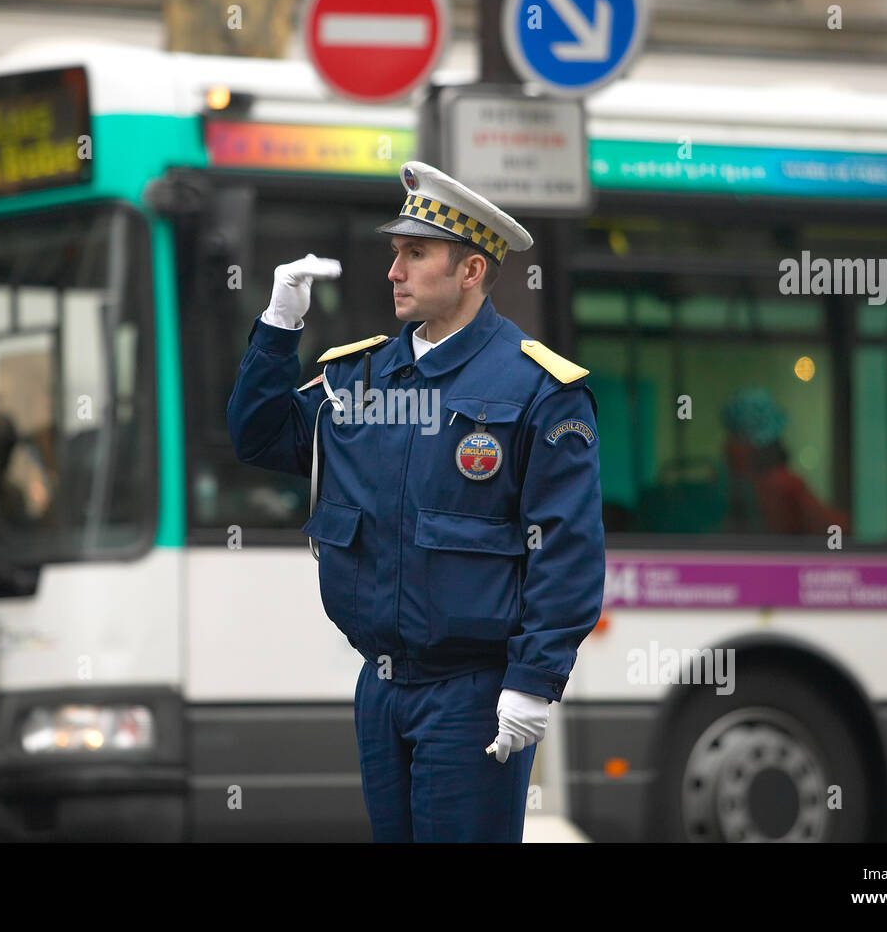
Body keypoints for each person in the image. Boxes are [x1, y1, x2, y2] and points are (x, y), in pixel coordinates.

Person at [227, 161, 606, 842]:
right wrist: (280, 323)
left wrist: (534, 677)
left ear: (471, 270)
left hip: (473, 692)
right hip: (381, 689)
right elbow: (257, 437)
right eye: (396, 253)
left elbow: (567, 546)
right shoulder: (361, 376)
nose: (395, 271)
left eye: (416, 253)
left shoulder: (538, 387)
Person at [721, 387, 848, 536]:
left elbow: (833, 526)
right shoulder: (782, 484)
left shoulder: (782, 485)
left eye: (735, 438)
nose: (728, 447)